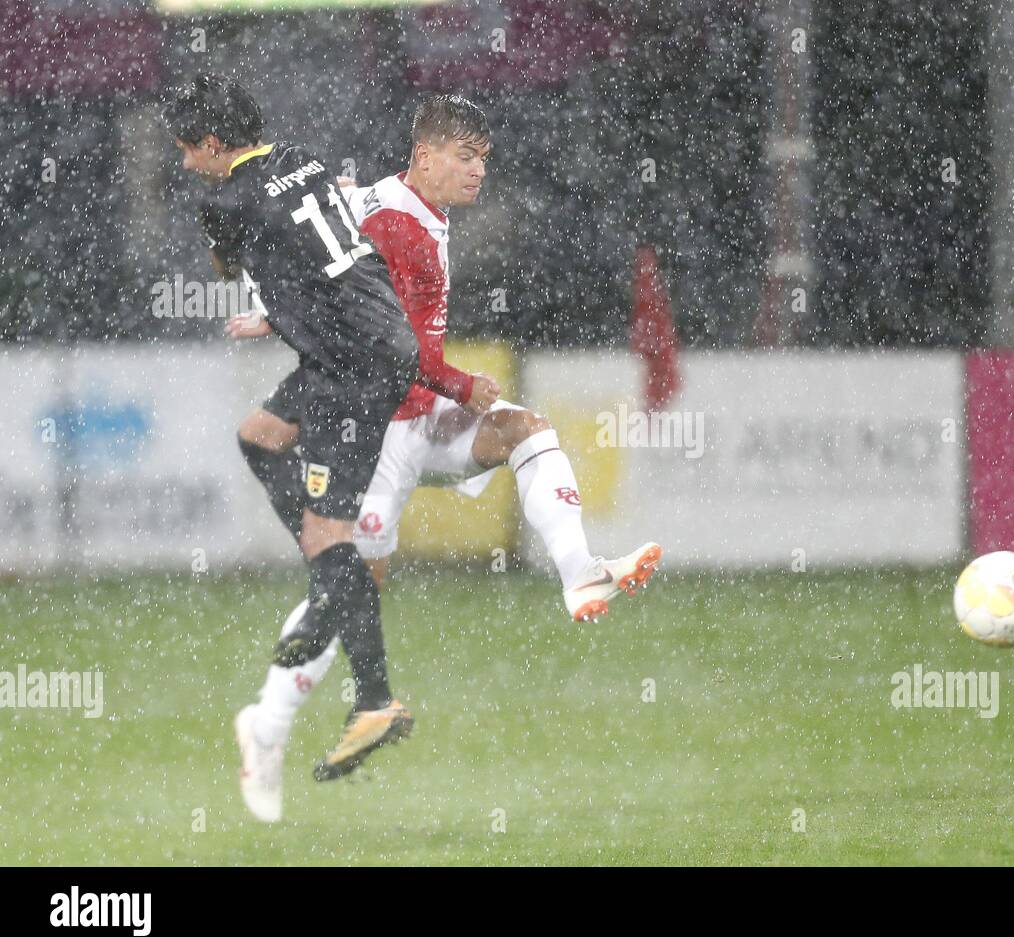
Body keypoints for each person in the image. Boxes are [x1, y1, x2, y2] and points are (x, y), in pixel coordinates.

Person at [227, 95, 661, 757]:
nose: (477, 170)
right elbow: (395, 348)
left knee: (525, 429)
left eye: (482, 158)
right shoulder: (406, 230)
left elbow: (315, 226)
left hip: (419, 420)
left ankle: (580, 573)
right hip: (375, 434)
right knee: (350, 586)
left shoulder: (386, 199)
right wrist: (463, 384)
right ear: (424, 156)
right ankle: (270, 721)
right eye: (463, 157)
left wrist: (272, 307)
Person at [163, 73, 419, 823]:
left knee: (330, 532)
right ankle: (327, 593)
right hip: (368, 343)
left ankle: (372, 697)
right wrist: (280, 318)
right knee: (260, 437)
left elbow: (230, 267)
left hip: (354, 368)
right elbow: (327, 261)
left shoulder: (226, 199)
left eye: (188, 152)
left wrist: (260, 292)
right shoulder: (303, 157)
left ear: (214, 144)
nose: (186, 166)